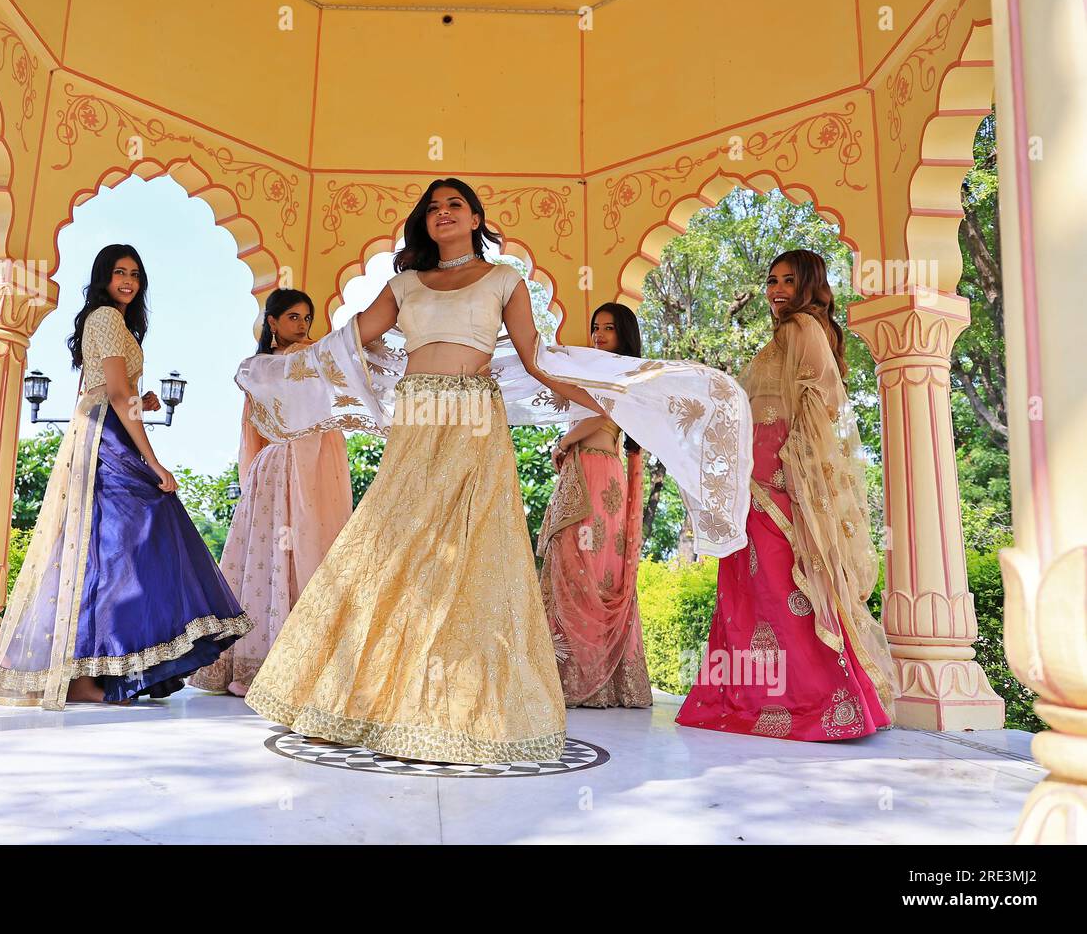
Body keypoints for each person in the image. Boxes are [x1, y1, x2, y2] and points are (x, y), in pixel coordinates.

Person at [240, 178, 753, 763]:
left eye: (454, 204)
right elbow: (349, 341)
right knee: (388, 540)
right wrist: (280, 373)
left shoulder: (506, 279)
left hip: (476, 421)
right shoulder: (404, 284)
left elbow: (536, 359)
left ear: (477, 216)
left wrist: (610, 400)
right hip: (418, 415)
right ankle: (335, 696)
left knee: (473, 551)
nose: (442, 214)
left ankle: (464, 704)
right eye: (432, 208)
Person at [0, 244, 252, 709]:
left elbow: (116, 389)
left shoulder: (118, 324)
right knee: (123, 547)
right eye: (118, 272)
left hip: (108, 428)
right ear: (102, 278)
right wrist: (153, 461)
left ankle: (109, 670)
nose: (128, 281)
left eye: (135, 274)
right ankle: (90, 674)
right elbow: (117, 390)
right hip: (105, 440)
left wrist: (140, 403)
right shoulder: (105, 317)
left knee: (115, 552)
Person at [675, 249, 897, 739]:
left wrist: (793, 471)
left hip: (775, 482)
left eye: (788, 281)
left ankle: (818, 705)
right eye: (772, 280)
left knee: (783, 585)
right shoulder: (783, 334)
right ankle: (763, 702)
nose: (776, 289)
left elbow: (825, 401)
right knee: (752, 586)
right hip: (753, 479)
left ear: (809, 285)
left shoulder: (802, 329)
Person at [188, 289, 352, 697]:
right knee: (268, 560)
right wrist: (253, 481)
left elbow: (338, 409)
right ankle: (255, 666)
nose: (302, 325)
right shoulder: (259, 368)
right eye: (292, 317)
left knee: (310, 555)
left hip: (315, 469)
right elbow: (252, 430)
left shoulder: (318, 362)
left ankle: (306, 666)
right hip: (277, 469)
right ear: (272, 323)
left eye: (307, 318)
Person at [539, 303, 653, 708]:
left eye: (608, 328)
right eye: (594, 328)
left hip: (596, 473)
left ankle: (585, 679)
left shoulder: (617, 375)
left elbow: (601, 412)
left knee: (589, 569)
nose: (599, 335)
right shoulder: (598, 371)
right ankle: (584, 675)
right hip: (594, 472)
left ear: (624, 334)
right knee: (576, 566)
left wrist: (565, 442)